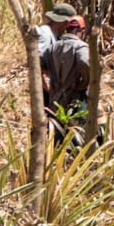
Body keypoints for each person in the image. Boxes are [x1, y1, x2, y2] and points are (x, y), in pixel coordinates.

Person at [41, 14, 90, 142]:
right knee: (77, 134)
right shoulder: (81, 47)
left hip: (55, 98)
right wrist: (85, 82)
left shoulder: (53, 47)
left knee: (56, 133)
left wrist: (48, 87)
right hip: (77, 98)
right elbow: (86, 63)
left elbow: (40, 66)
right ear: (81, 31)